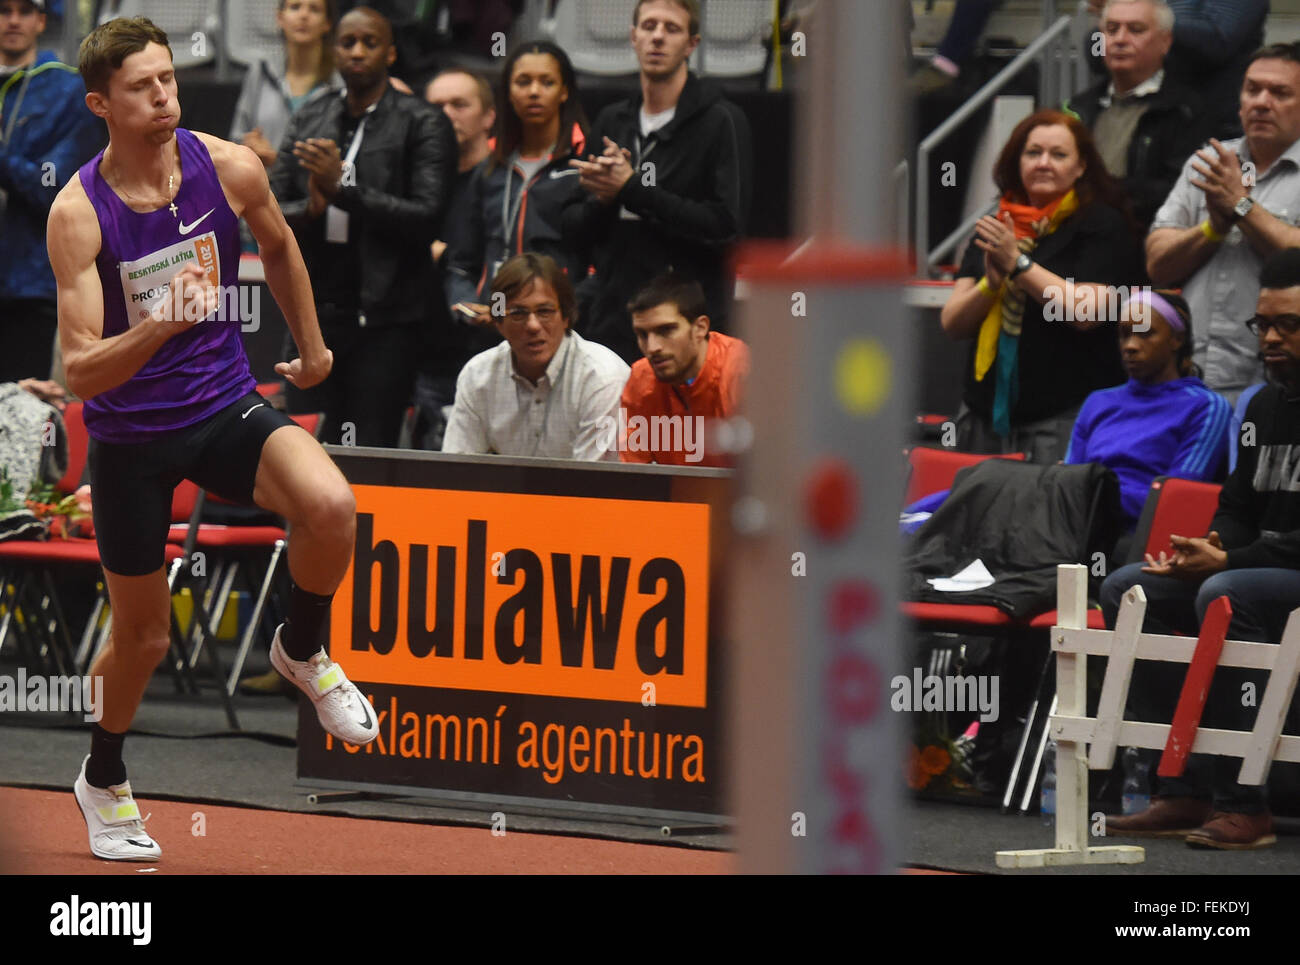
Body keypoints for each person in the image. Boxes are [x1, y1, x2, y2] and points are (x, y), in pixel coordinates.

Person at [51, 16, 378, 861]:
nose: (163, 97)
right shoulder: (79, 214)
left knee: (332, 505)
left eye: (168, 79)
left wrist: (312, 347)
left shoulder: (227, 165)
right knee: (146, 639)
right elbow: (81, 372)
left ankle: (303, 649)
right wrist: (159, 325)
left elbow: (281, 243)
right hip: (130, 442)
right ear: (101, 103)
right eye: (141, 87)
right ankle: (103, 776)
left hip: (224, 405)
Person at [1101, 248, 1300, 850]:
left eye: (1287, 325)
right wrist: (1210, 544)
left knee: (1225, 590)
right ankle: (1180, 787)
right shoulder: (1261, 407)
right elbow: (1239, 508)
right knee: (1128, 586)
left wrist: (1229, 562)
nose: (1269, 337)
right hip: (1261, 569)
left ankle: (1245, 803)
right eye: (1261, 324)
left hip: (1270, 576)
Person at [269, 5, 457, 448]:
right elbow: (270, 207)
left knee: (369, 449)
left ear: (390, 54)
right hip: (315, 312)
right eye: (348, 42)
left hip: (386, 318)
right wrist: (312, 209)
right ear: (333, 50)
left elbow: (427, 215)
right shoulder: (311, 116)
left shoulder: (423, 121)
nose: (357, 52)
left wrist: (345, 192)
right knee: (301, 447)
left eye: (369, 43)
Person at [939, 108, 1143, 465]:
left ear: (1081, 167)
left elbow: (1084, 313)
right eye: (1033, 153)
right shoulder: (997, 225)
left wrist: (1018, 265)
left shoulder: (1101, 226)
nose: (1044, 163)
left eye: (1058, 154)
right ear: (1017, 161)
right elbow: (953, 323)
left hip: (1062, 418)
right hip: (981, 417)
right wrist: (992, 283)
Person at [562, 0, 753, 364]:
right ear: (633, 38)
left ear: (692, 44)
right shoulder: (612, 121)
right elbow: (571, 229)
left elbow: (727, 229)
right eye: (649, 26)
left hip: (686, 330)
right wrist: (603, 201)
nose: (658, 38)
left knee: (679, 425)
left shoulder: (721, 121)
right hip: (614, 323)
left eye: (672, 28)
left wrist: (633, 191)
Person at [1147, 44, 1300, 406]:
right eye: (1252, 90)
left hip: (1278, 384)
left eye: (1280, 93)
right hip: (1193, 377)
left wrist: (1242, 207)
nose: (1261, 102)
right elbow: (1157, 263)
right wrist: (1212, 229)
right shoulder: (1209, 162)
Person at [1064, 289, 1230, 557]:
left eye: (1145, 333)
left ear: (1176, 339)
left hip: (1145, 539)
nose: (1130, 345)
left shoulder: (1206, 406)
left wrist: (1094, 497)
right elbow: (1066, 483)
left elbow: (1175, 499)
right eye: (1124, 334)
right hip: (1082, 527)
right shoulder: (1098, 401)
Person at [444, 41, 590, 326]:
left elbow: (599, 266)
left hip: (559, 325)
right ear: (508, 93)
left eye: (546, 82)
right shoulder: (489, 171)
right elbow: (461, 263)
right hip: (493, 323)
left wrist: (566, 311)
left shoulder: (583, 167)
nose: (534, 91)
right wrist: (466, 306)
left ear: (564, 91)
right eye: (523, 82)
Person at [0, 0, 104, 384]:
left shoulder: (65, 90)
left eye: (24, 10)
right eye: (3, 9)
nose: (13, 19)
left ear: (41, 20)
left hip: (27, 287)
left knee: (20, 417)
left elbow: (53, 186)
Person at [442, 252, 628, 460]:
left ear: (566, 317)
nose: (533, 325)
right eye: (518, 313)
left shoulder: (602, 378)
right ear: (499, 322)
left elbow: (597, 484)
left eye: (545, 311)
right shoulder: (478, 375)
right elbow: (458, 471)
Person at [1065, 0, 1209, 234]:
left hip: (1146, 241)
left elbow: (1180, 192)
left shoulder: (1186, 111)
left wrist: (1101, 194)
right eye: (1111, 30)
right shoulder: (1078, 108)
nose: (1120, 40)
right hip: (1075, 237)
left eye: (1136, 30)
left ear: (1165, 42)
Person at [408, 66, 496, 450]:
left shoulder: (504, 182)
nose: (447, 113)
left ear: (489, 116)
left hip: (486, 348)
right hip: (418, 351)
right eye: (437, 105)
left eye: (460, 104)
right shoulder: (414, 183)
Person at [1087, 0, 1269, 140]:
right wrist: (1113, 24)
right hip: (1142, 122)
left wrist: (1148, 21)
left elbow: (1217, 42)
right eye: (1113, 29)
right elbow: (1095, 56)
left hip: (1211, 128)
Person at [618, 273, 748, 467]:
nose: (652, 347)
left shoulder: (740, 372)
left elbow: (764, 477)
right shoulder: (641, 377)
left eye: (666, 330)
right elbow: (634, 474)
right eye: (642, 334)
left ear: (700, 328)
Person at [230, 0, 341, 173]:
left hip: (315, 197)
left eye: (314, 9)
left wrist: (277, 162)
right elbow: (234, 141)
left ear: (327, 23)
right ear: (280, 18)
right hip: (260, 192)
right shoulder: (260, 72)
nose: (304, 15)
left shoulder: (340, 85)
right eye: (295, 7)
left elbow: (344, 162)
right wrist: (249, 147)